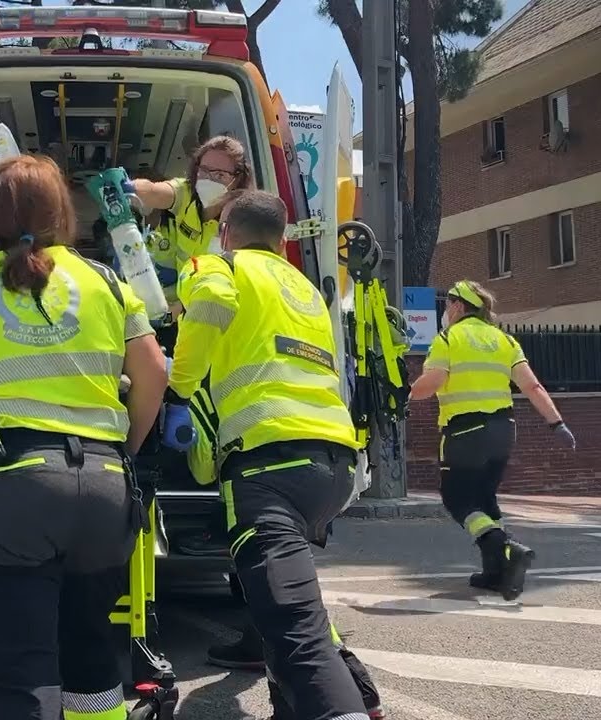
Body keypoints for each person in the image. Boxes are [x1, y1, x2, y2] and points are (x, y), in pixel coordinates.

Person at [0, 154, 168, 720]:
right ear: (61, 214)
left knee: (18, 671)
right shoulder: (103, 279)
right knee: (91, 654)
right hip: (103, 490)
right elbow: (154, 372)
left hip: (7, 491)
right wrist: (123, 448)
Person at [167, 189, 369, 720]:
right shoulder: (300, 284)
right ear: (281, 238)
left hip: (268, 465)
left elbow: (208, 305)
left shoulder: (218, 264)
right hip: (333, 464)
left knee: (294, 625)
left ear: (226, 229)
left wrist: (177, 389)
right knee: (287, 597)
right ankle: (346, 697)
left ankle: (343, 703)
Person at [410, 280, 576, 601]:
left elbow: (433, 382)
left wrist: (407, 393)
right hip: (503, 430)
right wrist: (557, 424)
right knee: (485, 498)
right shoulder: (505, 340)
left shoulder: (449, 337)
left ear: (459, 306)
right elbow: (533, 388)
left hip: (464, 431)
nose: (446, 311)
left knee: (457, 499)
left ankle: (505, 548)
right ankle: (496, 573)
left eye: (448, 304)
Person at [128, 135, 254, 303]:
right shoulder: (186, 195)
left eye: (220, 174)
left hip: (218, 308)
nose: (209, 179)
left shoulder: (243, 217)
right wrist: (130, 187)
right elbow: (153, 191)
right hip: (184, 303)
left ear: (237, 178)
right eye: (204, 170)